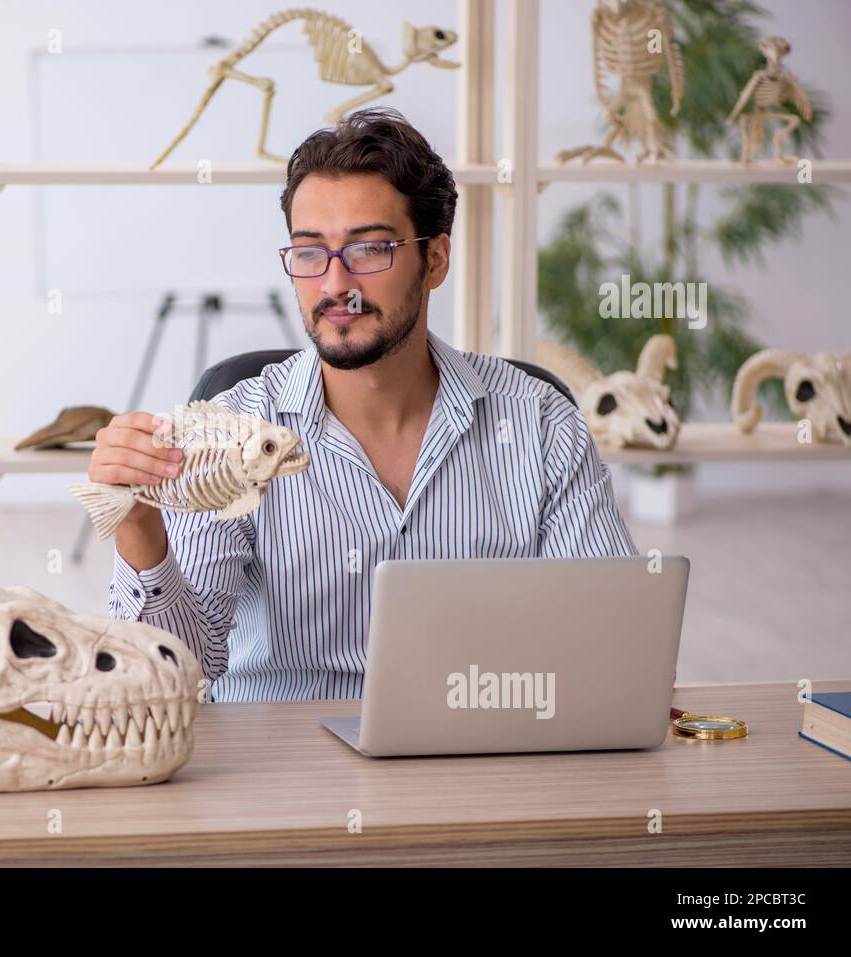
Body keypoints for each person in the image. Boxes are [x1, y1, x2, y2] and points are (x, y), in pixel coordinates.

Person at [86, 107, 637, 703]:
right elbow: (176, 673)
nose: (333, 284)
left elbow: (613, 639)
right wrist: (140, 527)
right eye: (308, 253)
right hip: (282, 775)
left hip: (480, 758)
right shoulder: (231, 434)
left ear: (436, 260)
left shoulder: (540, 425)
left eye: (369, 249)